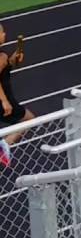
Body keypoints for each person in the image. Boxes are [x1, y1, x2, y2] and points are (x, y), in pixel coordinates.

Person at [0, 22, 34, 167]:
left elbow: (6, 66)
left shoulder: (2, 55)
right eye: (1, 33)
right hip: (4, 100)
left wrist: (14, 60)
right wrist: (4, 101)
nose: (4, 35)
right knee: (29, 119)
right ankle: (4, 145)